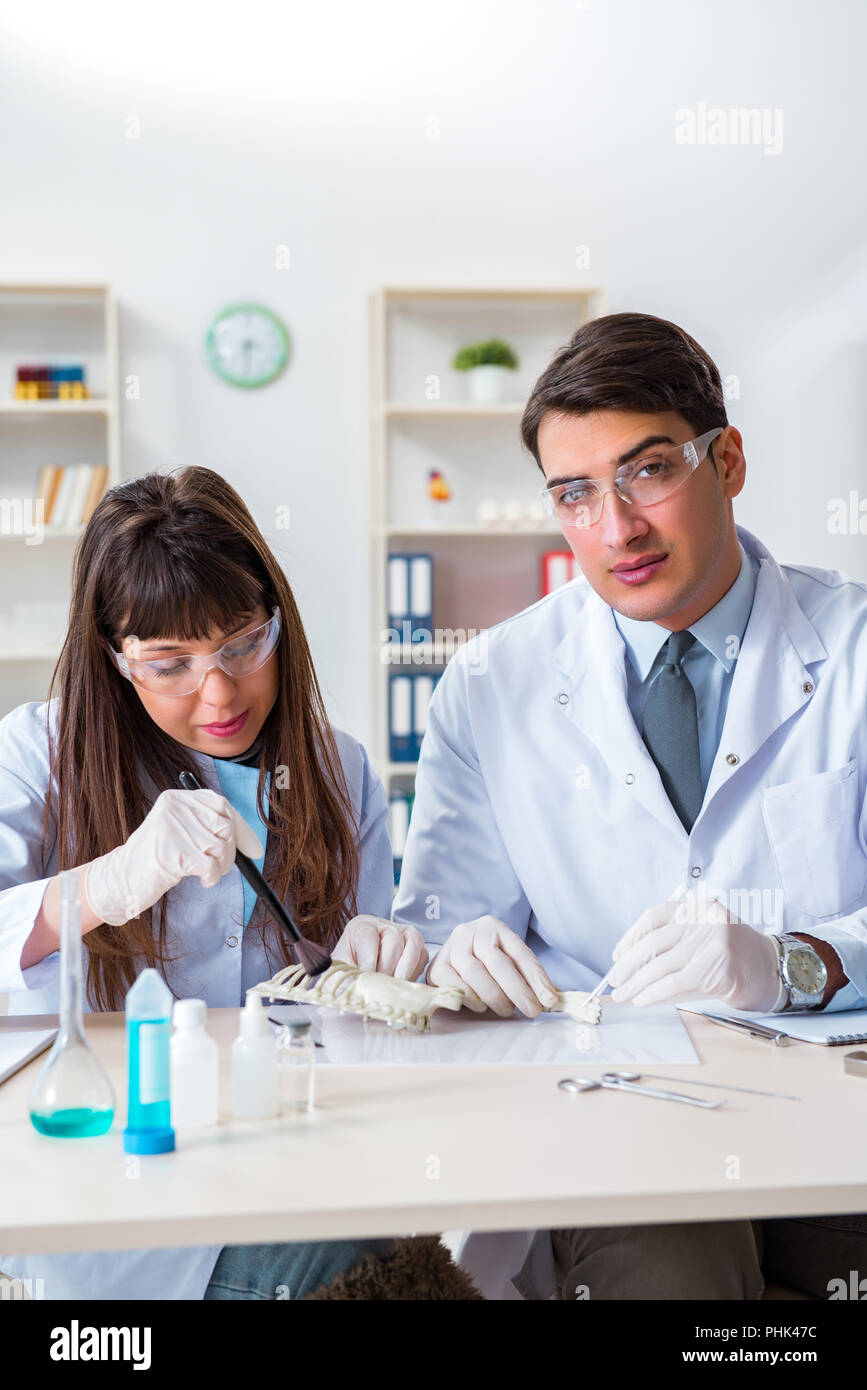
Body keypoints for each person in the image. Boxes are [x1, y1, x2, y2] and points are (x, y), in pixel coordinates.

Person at [353, 312, 867, 1299]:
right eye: (576, 494)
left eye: (649, 471)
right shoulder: (491, 682)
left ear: (729, 461)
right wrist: (452, 958)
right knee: (678, 1289)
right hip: (619, 1117)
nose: (616, 528)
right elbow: (442, 933)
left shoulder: (849, 649)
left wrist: (794, 961)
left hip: (833, 1111)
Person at [0, 465, 445, 1301]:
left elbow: (363, 997)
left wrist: (374, 966)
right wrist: (107, 882)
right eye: (168, 664)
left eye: (243, 643)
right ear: (114, 656)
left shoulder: (338, 767)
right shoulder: (36, 755)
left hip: (300, 1160)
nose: (219, 692)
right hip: (118, 1202)